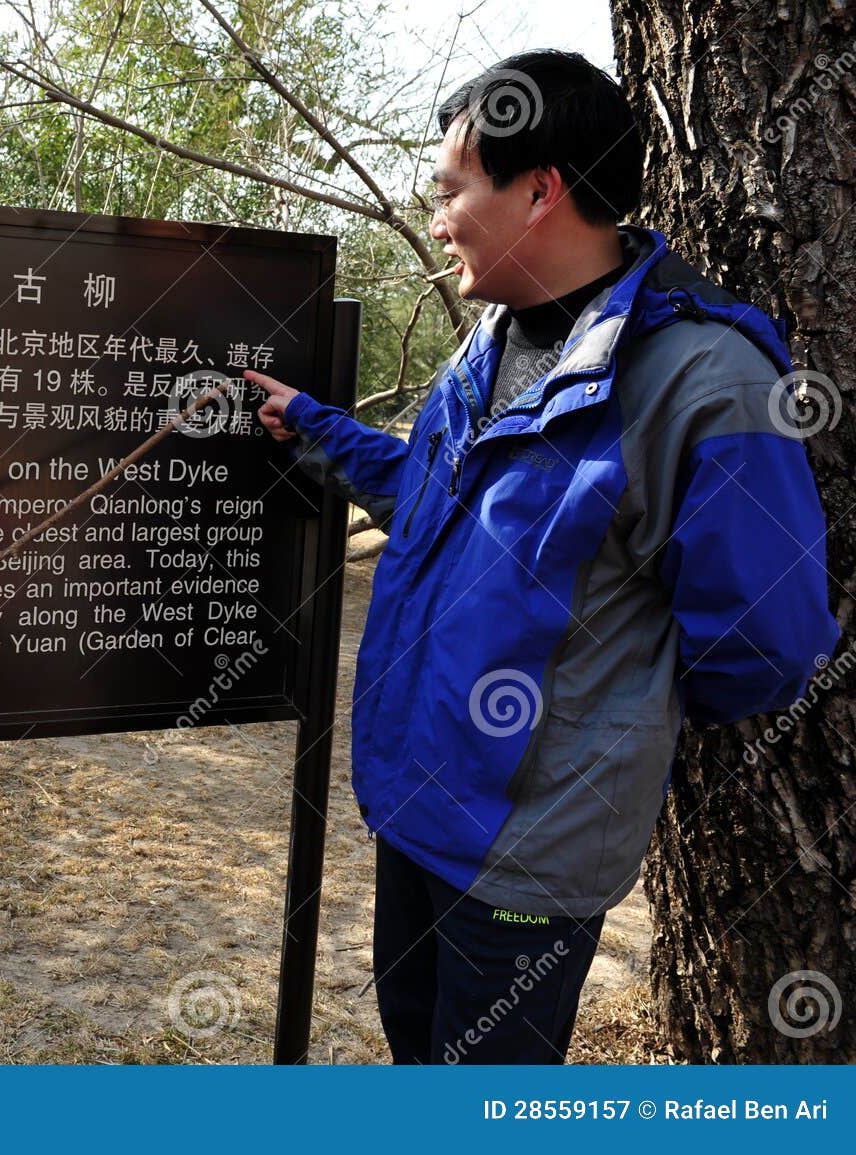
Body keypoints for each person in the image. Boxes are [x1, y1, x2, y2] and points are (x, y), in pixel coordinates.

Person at [249, 49, 838, 1064]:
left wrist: (610, 720)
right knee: (414, 1051)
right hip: (414, 808)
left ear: (537, 191)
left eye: (451, 191)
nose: (437, 218)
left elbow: (766, 642)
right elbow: (439, 498)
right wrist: (315, 428)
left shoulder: (706, 380)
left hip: (529, 856)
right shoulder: (492, 341)